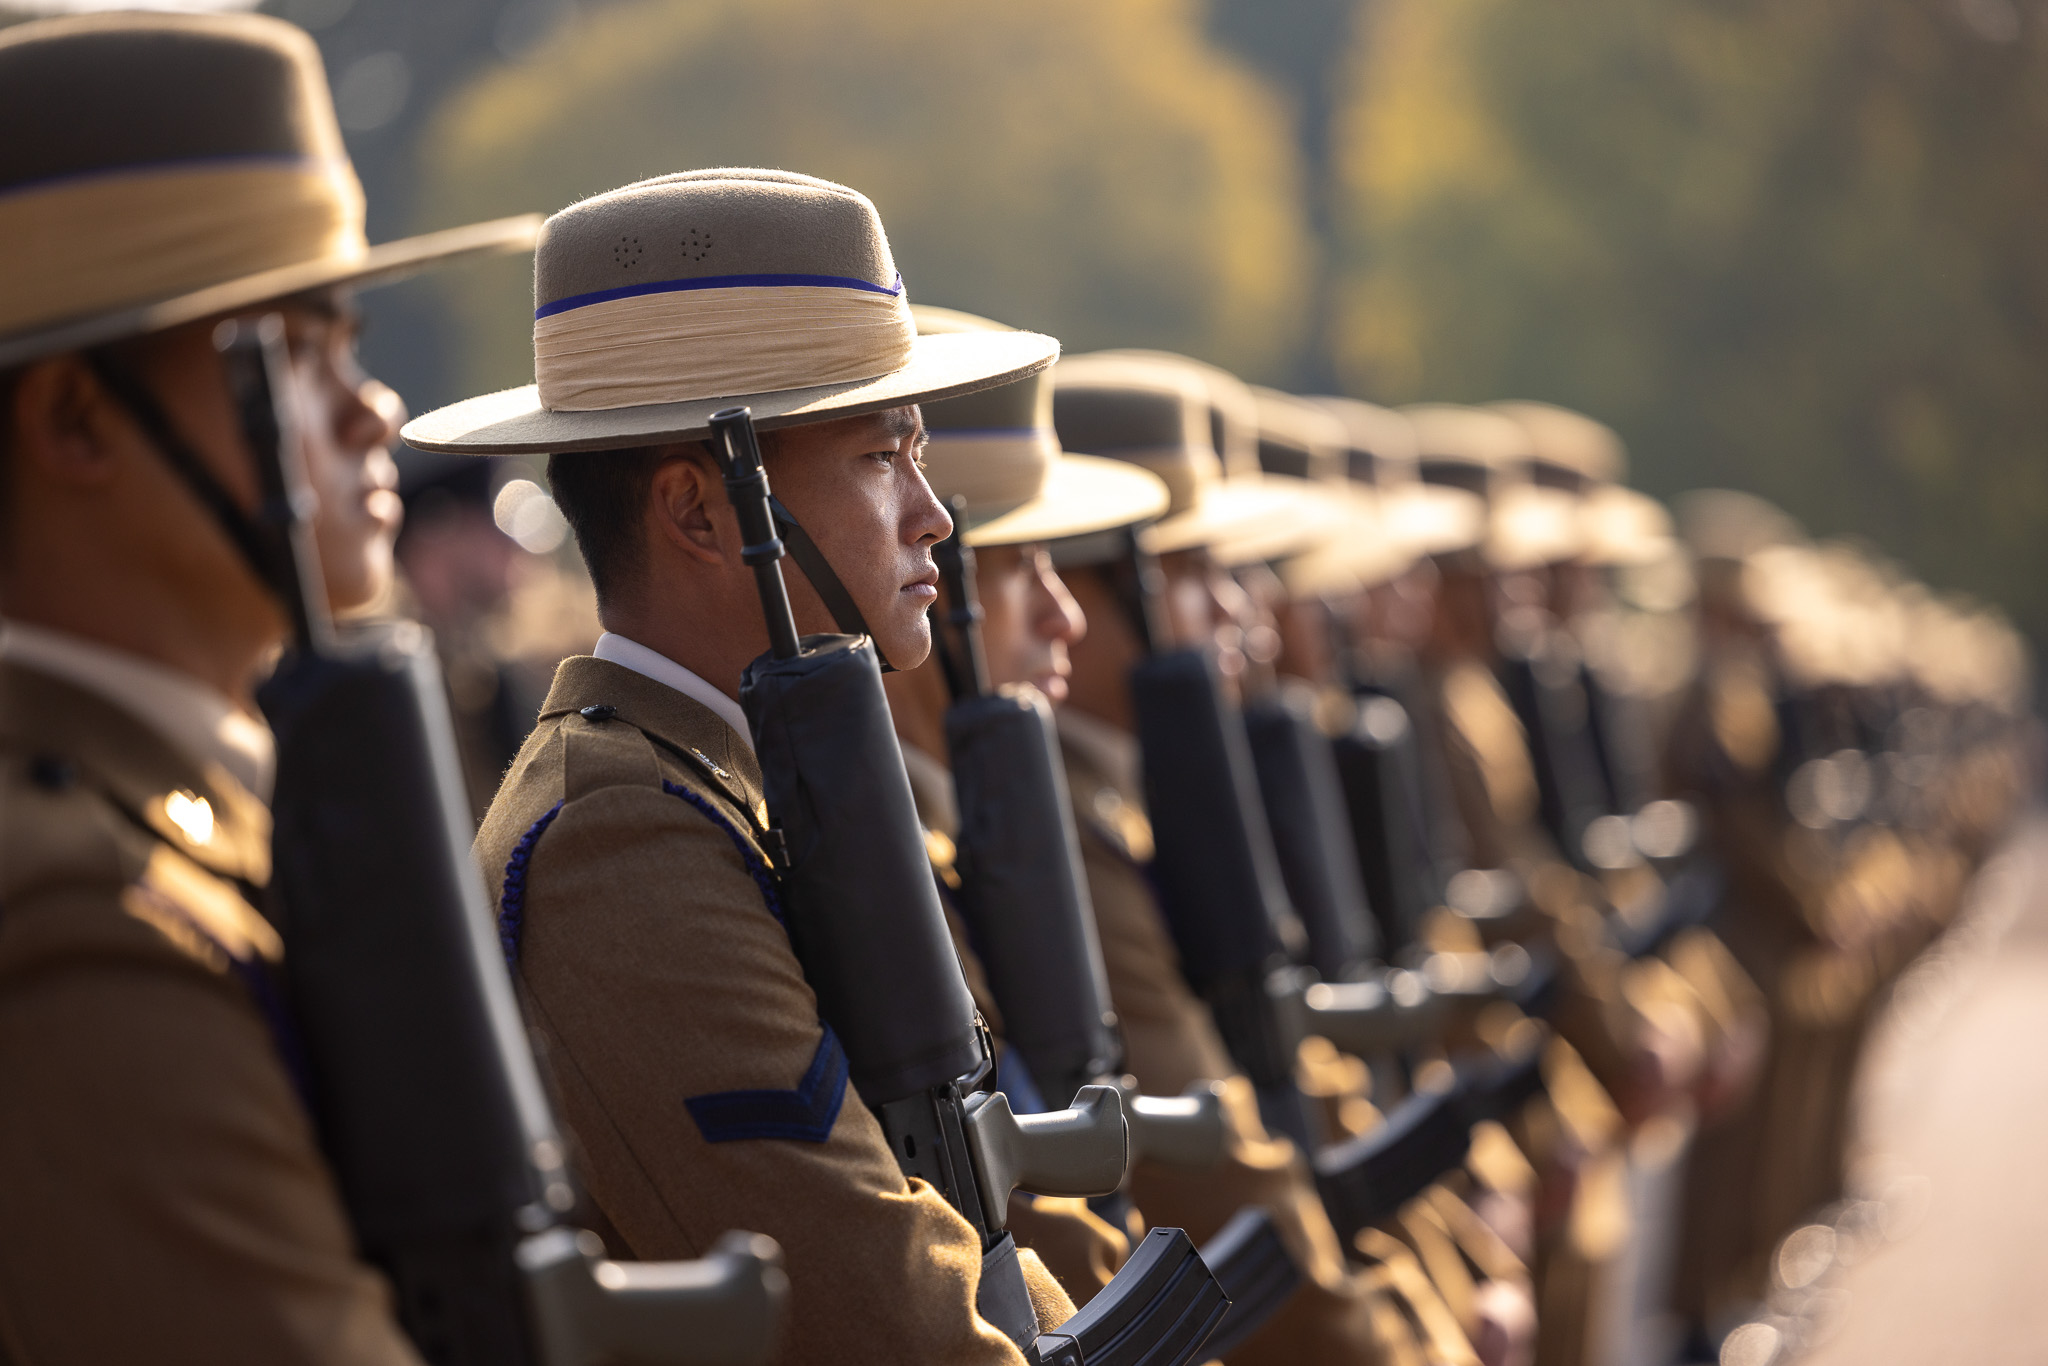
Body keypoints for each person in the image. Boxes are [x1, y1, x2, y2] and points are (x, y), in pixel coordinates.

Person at [402, 169, 1080, 1365]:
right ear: (701, 512)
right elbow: (877, 1311)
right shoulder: (620, 835)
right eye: (879, 457)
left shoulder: (723, 785)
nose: (932, 514)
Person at [0, 11, 537, 1362]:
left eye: (346, 341)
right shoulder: (76, 916)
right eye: (293, 353)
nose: (372, 408)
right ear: (74, 421)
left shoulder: (196, 815)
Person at [1047, 351, 1486, 1366]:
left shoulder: (1137, 801)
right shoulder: (1081, 831)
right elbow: (1214, 1159)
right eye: (1194, 572)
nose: (1242, 610)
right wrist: (1402, 1342)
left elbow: (1292, 1081)